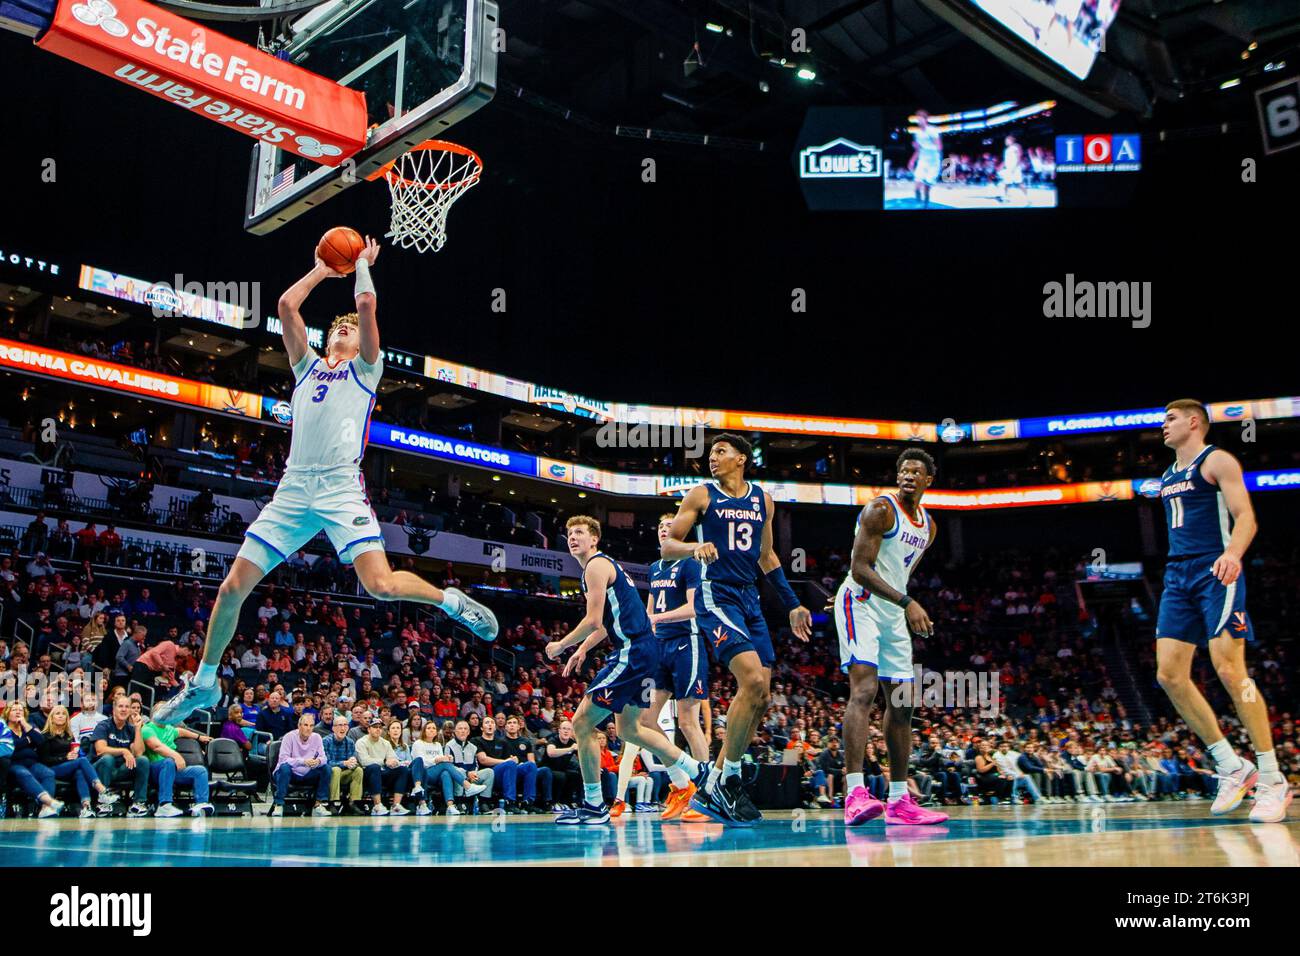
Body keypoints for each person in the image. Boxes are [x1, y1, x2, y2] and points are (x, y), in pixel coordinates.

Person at [151, 239, 498, 728]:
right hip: (294, 487)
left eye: (348, 329)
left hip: (339, 486)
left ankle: (453, 602)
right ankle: (204, 683)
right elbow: (287, 306)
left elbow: (366, 303)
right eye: (336, 327)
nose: (341, 329)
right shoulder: (306, 366)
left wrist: (359, 265)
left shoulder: (366, 369)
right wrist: (319, 270)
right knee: (231, 589)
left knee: (378, 586)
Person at [661, 436, 812, 825]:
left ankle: (723, 780)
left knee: (762, 696)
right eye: (710, 453)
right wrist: (695, 549)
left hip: (751, 599)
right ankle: (724, 780)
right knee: (752, 681)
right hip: (717, 595)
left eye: (721, 452)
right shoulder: (701, 494)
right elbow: (669, 546)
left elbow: (767, 556)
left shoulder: (762, 498)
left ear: (741, 459)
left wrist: (792, 603)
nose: (713, 458)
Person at [1151, 399, 1289, 823]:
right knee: (1169, 675)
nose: (1164, 425)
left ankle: (1272, 777)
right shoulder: (1167, 475)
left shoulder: (1218, 460)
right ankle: (1232, 765)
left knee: (1230, 670)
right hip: (1178, 574)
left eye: (1171, 419)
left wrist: (1232, 553)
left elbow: (1245, 516)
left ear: (1195, 422)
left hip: (1216, 569)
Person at [545, 516, 708, 825]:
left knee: (580, 722)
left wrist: (561, 645)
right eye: (569, 533)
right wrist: (582, 649)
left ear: (594, 539)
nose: (572, 537)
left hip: (633, 652)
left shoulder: (595, 566)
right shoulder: (604, 567)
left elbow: (593, 621)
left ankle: (594, 805)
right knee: (630, 730)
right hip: (645, 651)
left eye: (579, 532)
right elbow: (608, 624)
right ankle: (696, 771)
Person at [833, 449, 948, 828]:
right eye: (903, 470)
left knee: (902, 706)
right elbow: (861, 569)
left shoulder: (928, 527)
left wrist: (902, 603)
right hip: (860, 603)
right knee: (864, 691)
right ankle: (854, 793)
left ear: (929, 480)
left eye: (916, 471)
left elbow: (897, 572)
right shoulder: (879, 511)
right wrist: (908, 601)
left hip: (892, 613)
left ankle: (899, 801)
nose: (908, 476)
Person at [623, 513, 709, 821]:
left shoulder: (690, 563)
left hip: (687, 642)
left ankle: (707, 793)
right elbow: (649, 611)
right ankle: (681, 783)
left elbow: (693, 608)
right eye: (659, 527)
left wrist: (657, 620)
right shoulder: (655, 567)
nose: (663, 531)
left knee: (687, 721)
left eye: (669, 527)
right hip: (660, 647)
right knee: (645, 721)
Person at [38, 704, 120, 817]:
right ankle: (101, 790)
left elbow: (71, 755)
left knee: (80, 772)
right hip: (51, 768)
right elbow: (44, 759)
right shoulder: (45, 736)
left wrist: (72, 756)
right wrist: (65, 758)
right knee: (82, 761)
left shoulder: (68, 735)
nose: (61, 716)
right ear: (51, 717)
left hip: (68, 767)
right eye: (58, 714)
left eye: (63, 714)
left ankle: (86, 807)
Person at [90, 695, 151, 817]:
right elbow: (100, 750)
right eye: (120, 706)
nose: (124, 709)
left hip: (120, 769)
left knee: (143, 760)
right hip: (100, 770)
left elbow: (139, 753)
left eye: (127, 707)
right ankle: (102, 802)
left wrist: (138, 728)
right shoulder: (103, 726)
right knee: (108, 759)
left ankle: (139, 803)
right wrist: (124, 751)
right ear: (113, 709)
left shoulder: (130, 729)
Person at [141, 716, 214, 817]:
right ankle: (164, 805)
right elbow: (157, 747)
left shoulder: (169, 729)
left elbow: (181, 731)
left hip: (171, 770)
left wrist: (199, 737)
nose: (167, 714)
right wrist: (176, 756)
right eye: (164, 712)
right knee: (169, 762)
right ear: (155, 715)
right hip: (154, 770)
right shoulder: (147, 729)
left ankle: (201, 804)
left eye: (169, 712)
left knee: (200, 771)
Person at [5, 702, 66, 817]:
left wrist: (25, 725)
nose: (18, 712)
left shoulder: (29, 726)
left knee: (48, 773)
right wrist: (28, 740)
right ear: (8, 713)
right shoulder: (4, 729)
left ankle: (45, 809)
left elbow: (40, 741)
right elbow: (11, 746)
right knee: (24, 773)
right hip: (14, 764)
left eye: (21, 710)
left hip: (32, 763)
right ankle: (49, 801)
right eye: (14, 710)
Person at [270, 713, 332, 817]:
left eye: (311, 725)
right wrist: (303, 761)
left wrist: (318, 762)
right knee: (285, 768)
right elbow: (283, 759)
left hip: (307, 773)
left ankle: (318, 804)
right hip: (289, 773)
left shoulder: (317, 738)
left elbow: (324, 758)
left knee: (326, 768)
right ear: (299, 726)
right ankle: (279, 804)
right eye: (306, 725)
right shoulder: (289, 737)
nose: (308, 728)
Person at [355, 717, 411, 815]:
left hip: (382, 773)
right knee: (374, 767)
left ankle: (396, 806)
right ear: (369, 729)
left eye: (380, 727)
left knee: (402, 770)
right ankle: (377, 806)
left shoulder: (385, 743)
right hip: (366, 775)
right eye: (375, 727)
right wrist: (384, 761)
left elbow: (393, 759)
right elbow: (364, 761)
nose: (378, 729)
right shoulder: (361, 742)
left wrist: (393, 761)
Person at [322, 715, 365, 813]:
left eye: (345, 725)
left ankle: (353, 802)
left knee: (358, 770)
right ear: (333, 728)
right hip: (329, 775)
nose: (342, 728)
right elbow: (327, 763)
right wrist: (344, 763)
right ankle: (332, 802)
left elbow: (352, 761)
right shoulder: (326, 741)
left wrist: (353, 762)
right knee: (335, 769)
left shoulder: (350, 742)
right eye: (339, 725)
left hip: (344, 774)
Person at [542, 719, 582, 806]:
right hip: (548, 769)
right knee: (561, 776)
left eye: (568, 729)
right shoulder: (553, 740)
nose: (566, 731)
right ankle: (554, 803)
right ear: (559, 731)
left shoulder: (572, 742)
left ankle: (570, 802)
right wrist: (570, 749)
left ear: (572, 732)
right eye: (564, 728)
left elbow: (583, 757)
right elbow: (551, 753)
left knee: (576, 774)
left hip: (562, 769)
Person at [908, 110, 943, 207]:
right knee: (917, 181)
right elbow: (918, 149)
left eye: (921, 119)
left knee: (928, 183)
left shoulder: (932, 130)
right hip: (923, 159)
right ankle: (918, 194)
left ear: (925, 119)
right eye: (918, 119)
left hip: (933, 159)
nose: (919, 121)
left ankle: (926, 199)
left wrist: (938, 158)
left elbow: (939, 146)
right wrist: (912, 160)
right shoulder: (917, 133)